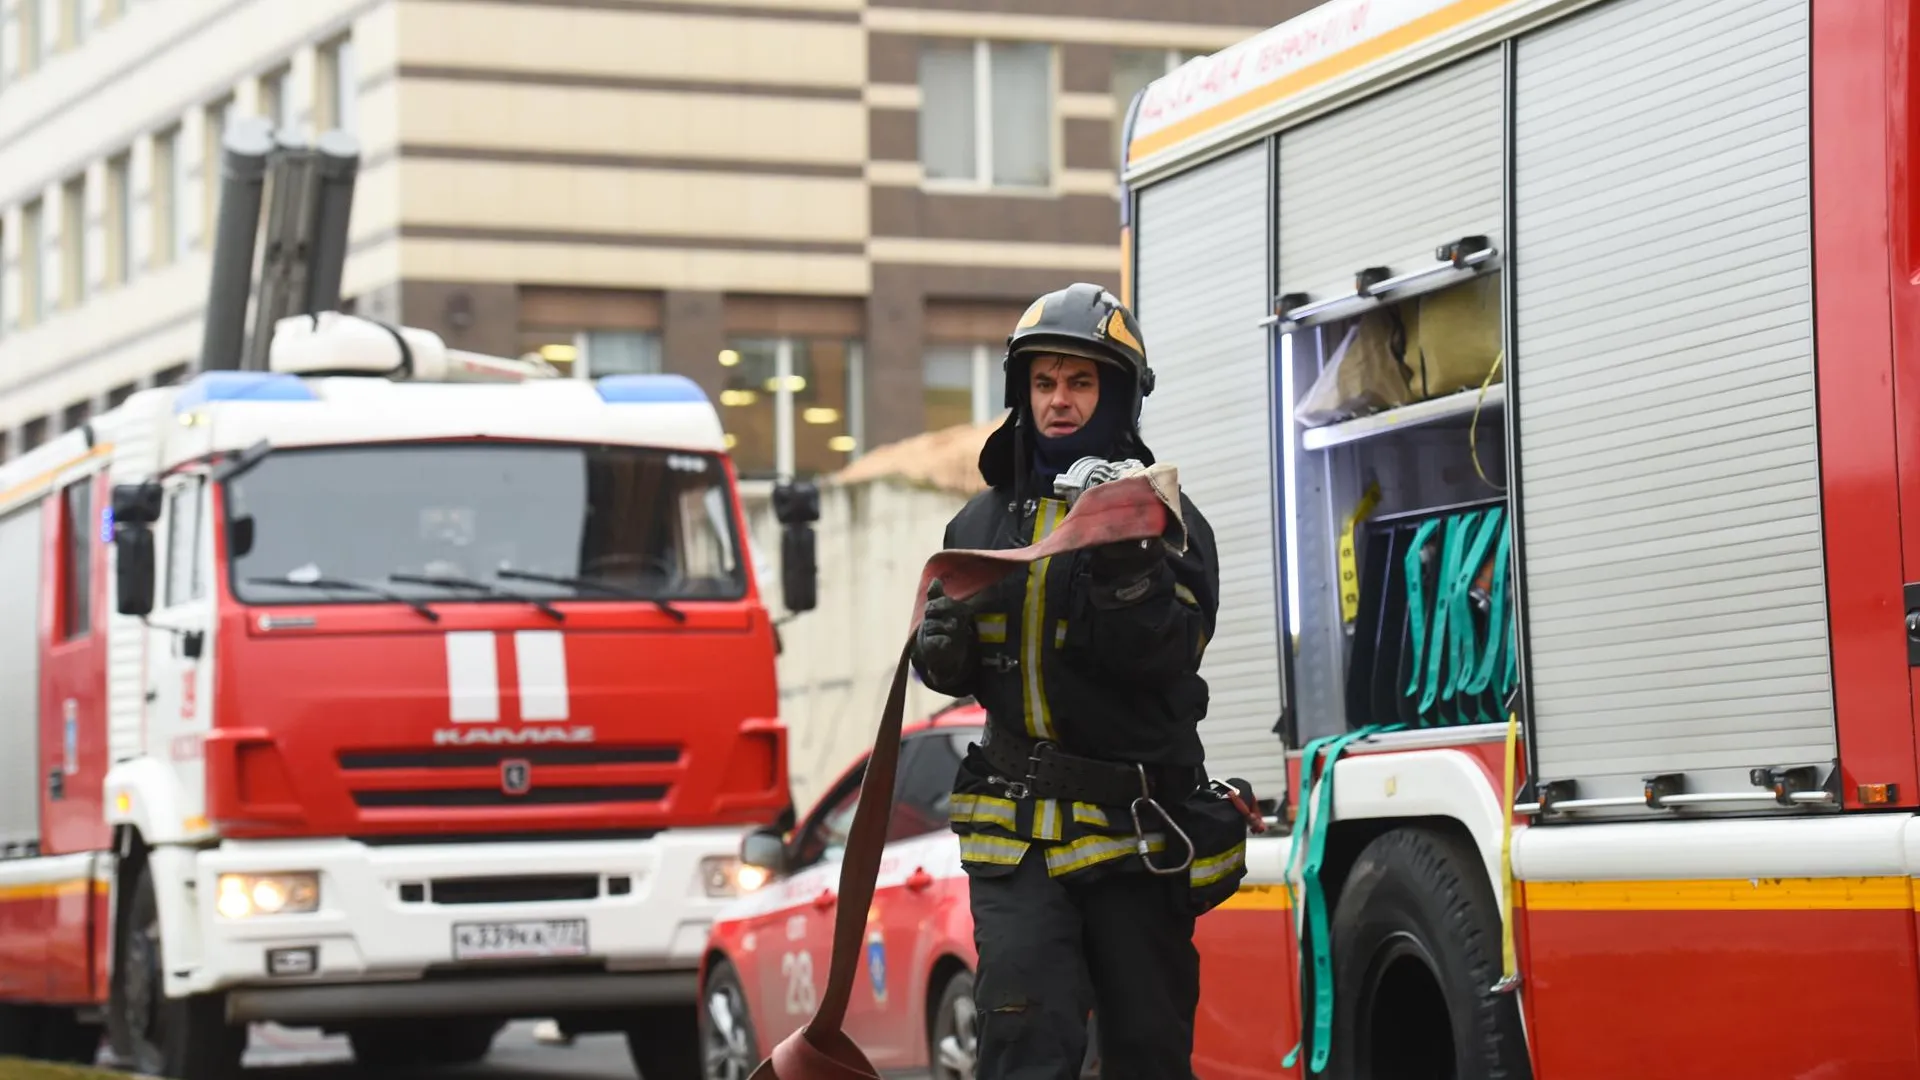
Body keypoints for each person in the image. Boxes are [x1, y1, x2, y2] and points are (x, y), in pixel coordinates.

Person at [909, 282, 1222, 1080]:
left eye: (1081, 382)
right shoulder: (978, 526)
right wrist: (943, 654)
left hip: (1135, 834)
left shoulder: (1167, 524)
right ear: (1023, 394)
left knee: (1145, 1053)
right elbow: (970, 671)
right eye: (1044, 383)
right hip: (1018, 835)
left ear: (1116, 395)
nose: (1060, 401)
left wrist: (1128, 570)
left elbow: (1169, 658)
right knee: (1024, 1038)